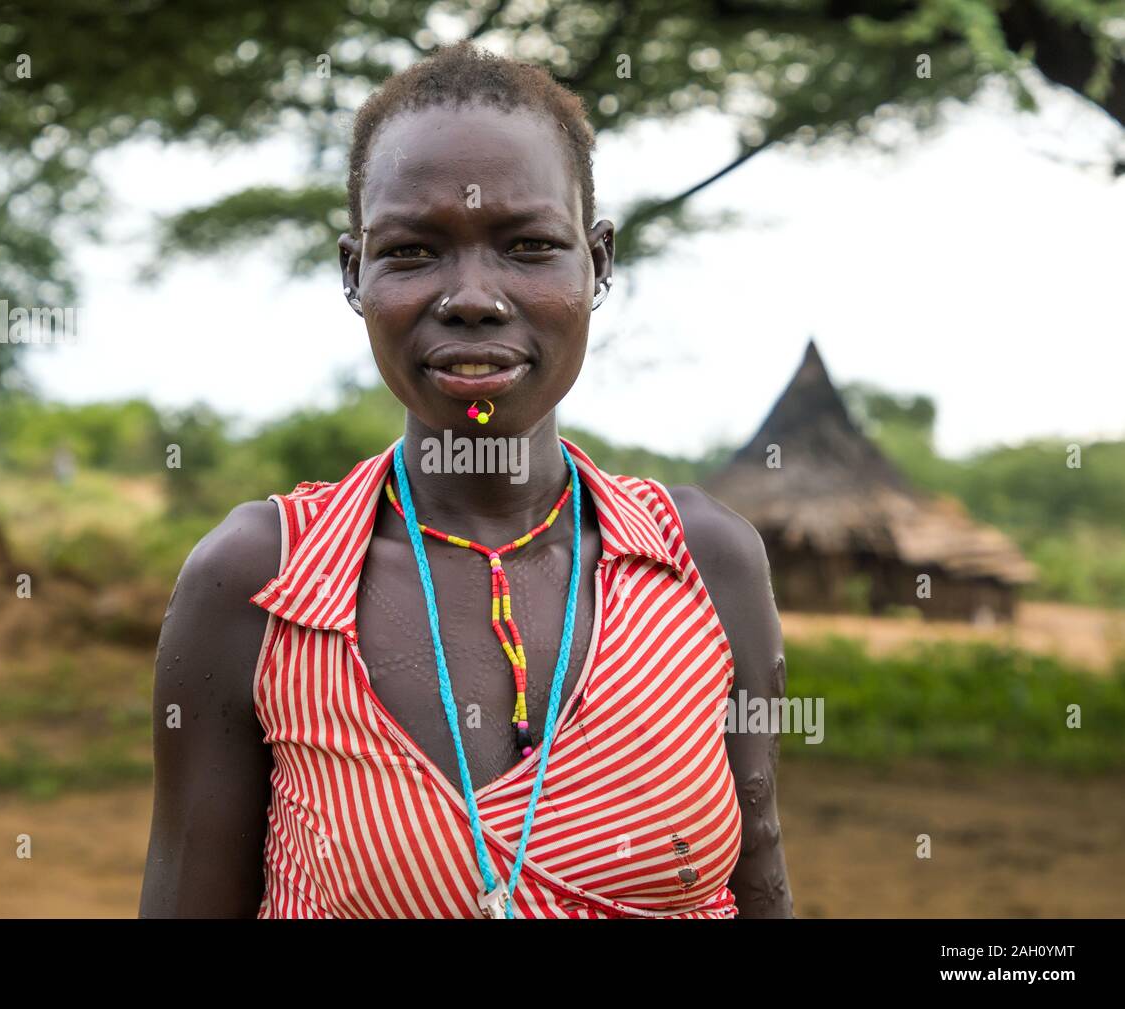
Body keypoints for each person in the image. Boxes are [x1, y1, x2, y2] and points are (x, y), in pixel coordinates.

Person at [139, 39, 792, 918]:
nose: (474, 296)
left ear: (599, 263)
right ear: (353, 273)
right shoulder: (261, 581)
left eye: (529, 245)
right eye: (413, 251)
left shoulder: (705, 565)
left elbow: (761, 875)